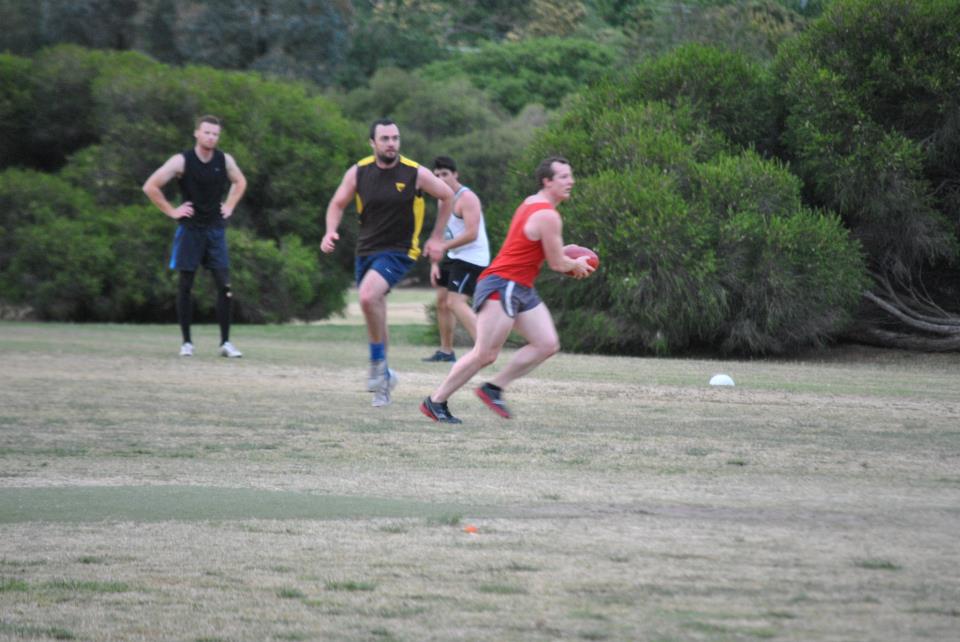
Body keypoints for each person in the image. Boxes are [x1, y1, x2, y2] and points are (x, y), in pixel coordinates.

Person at [420, 156, 595, 424]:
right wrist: (577, 264)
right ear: (547, 181)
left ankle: (493, 388)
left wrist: (568, 258)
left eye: (570, 176)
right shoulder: (547, 215)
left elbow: (542, 250)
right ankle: (436, 401)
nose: (570, 181)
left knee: (547, 344)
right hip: (502, 284)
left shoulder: (532, 202)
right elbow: (558, 263)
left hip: (519, 285)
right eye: (563, 177)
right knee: (485, 354)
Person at [321, 118, 455, 407]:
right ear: (373, 143)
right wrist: (330, 230)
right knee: (375, 307)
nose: (391, 143)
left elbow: (447, 196)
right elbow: (336, 204)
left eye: (395, 138)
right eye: (385, 139)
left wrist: (435, 238)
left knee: (368, 296)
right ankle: (385, 382)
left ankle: (376, 363)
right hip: (366, 249)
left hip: (400, 250)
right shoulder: (359, 172)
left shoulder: (414, 172)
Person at [142, 115, 247, 358]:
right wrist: (172, 211)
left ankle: (225, 343)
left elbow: (240, 182)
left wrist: (229, 205)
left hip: (215, 230)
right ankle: (187, 343)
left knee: (225, 286)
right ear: (197, 133)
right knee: (186, 286)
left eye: (215, 134)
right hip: (190, 230)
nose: (211, 137)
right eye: (207, 132)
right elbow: (151, 186)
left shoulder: (224, 159)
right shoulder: (182, 161)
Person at [422, 155, 490, 363]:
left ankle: (484, 349)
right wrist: (435, 262)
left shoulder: (467, 198)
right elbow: (441, 230)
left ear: (455, 174)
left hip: (472, 258)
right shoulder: (442, 198)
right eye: (437, 175)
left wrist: (441, 246)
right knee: (442, 302)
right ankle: (446, 351)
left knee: (455, 302)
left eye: (445, 174)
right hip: (454, 254)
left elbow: (472, 233)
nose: (441, 179)